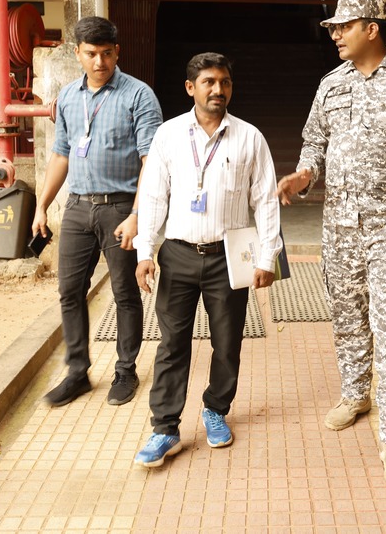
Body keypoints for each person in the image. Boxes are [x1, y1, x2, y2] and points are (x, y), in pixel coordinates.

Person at [276, 0, 386, 490]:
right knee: (348, 316)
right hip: (339, 227)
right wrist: (304, 174)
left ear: (372, 28)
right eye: (333, 28)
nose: (334, 34)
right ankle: (355, 395)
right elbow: (315, 140)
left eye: (343, 27)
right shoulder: (330, 85)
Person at [132, 52, 281, 468]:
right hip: (177, 254)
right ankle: (165, 428)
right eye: (209, 82)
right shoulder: (168, 135)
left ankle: (215, 409)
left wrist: (266, 256)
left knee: (227, 343)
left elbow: (265, 200)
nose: (218, 90)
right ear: (190, 88)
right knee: (172, 343)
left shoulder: (249, 137)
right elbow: (155, 196)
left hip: (228, 257)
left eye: (225, 82)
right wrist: (146, 251)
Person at [32, 16, 163, 408]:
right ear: (77, 54)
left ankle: (125, 371)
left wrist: (138, 214)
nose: (100, 62)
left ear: (117, 52)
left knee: (125, 293)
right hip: (76, 208)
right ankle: (77, 372)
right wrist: (41, 206)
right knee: (70, 292)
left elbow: (150, 163)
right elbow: (61, 154)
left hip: (121, 207)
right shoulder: (69, 97)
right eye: (91, 54)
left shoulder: (138, 96)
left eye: (107, 54)